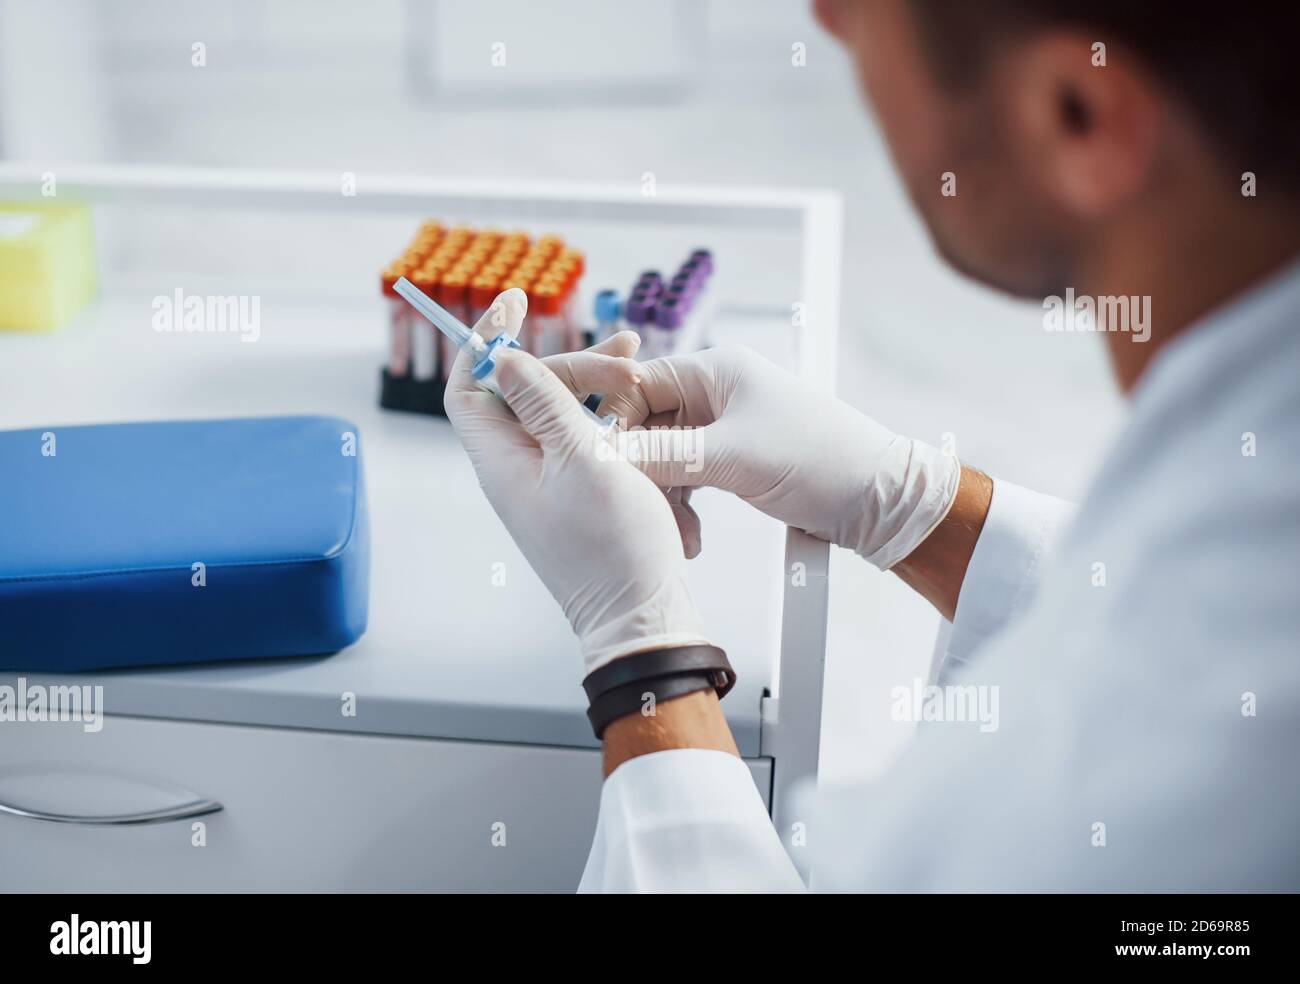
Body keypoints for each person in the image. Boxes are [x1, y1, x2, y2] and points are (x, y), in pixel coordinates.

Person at [445, 0, 1300, 891]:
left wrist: (640, 654)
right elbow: (1155, 632)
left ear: (1074, 115)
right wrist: (912, 501)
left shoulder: (1108, 813)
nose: (825, 17)